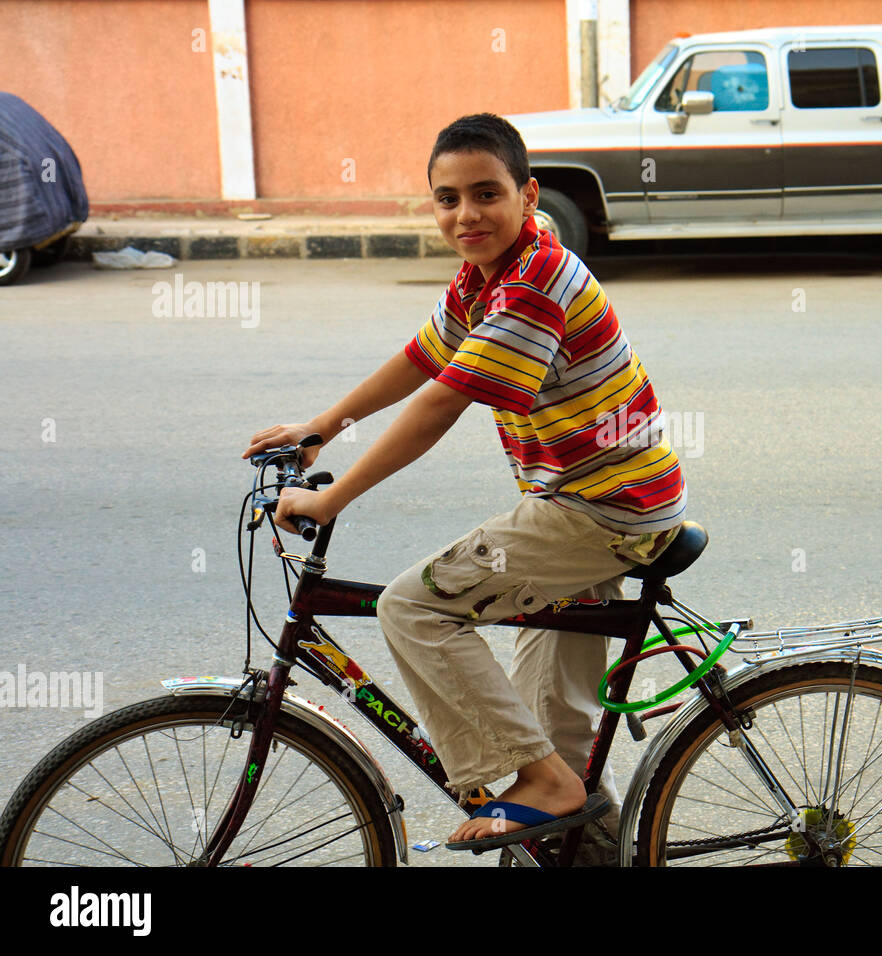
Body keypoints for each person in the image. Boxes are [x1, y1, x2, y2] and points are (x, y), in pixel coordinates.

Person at [242, 113, 686, 852]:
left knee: (415, 607)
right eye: (448, 199)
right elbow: (425, 355)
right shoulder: (493, 271)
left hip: (600, 510)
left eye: (486, 194)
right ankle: (571, 814)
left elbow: (443, 401)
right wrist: (320, 427)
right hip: (591, 500)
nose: (466, 214)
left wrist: (331, 496)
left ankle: (543, 784)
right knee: (556, 741)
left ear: (528, 194)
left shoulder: (533, 284)